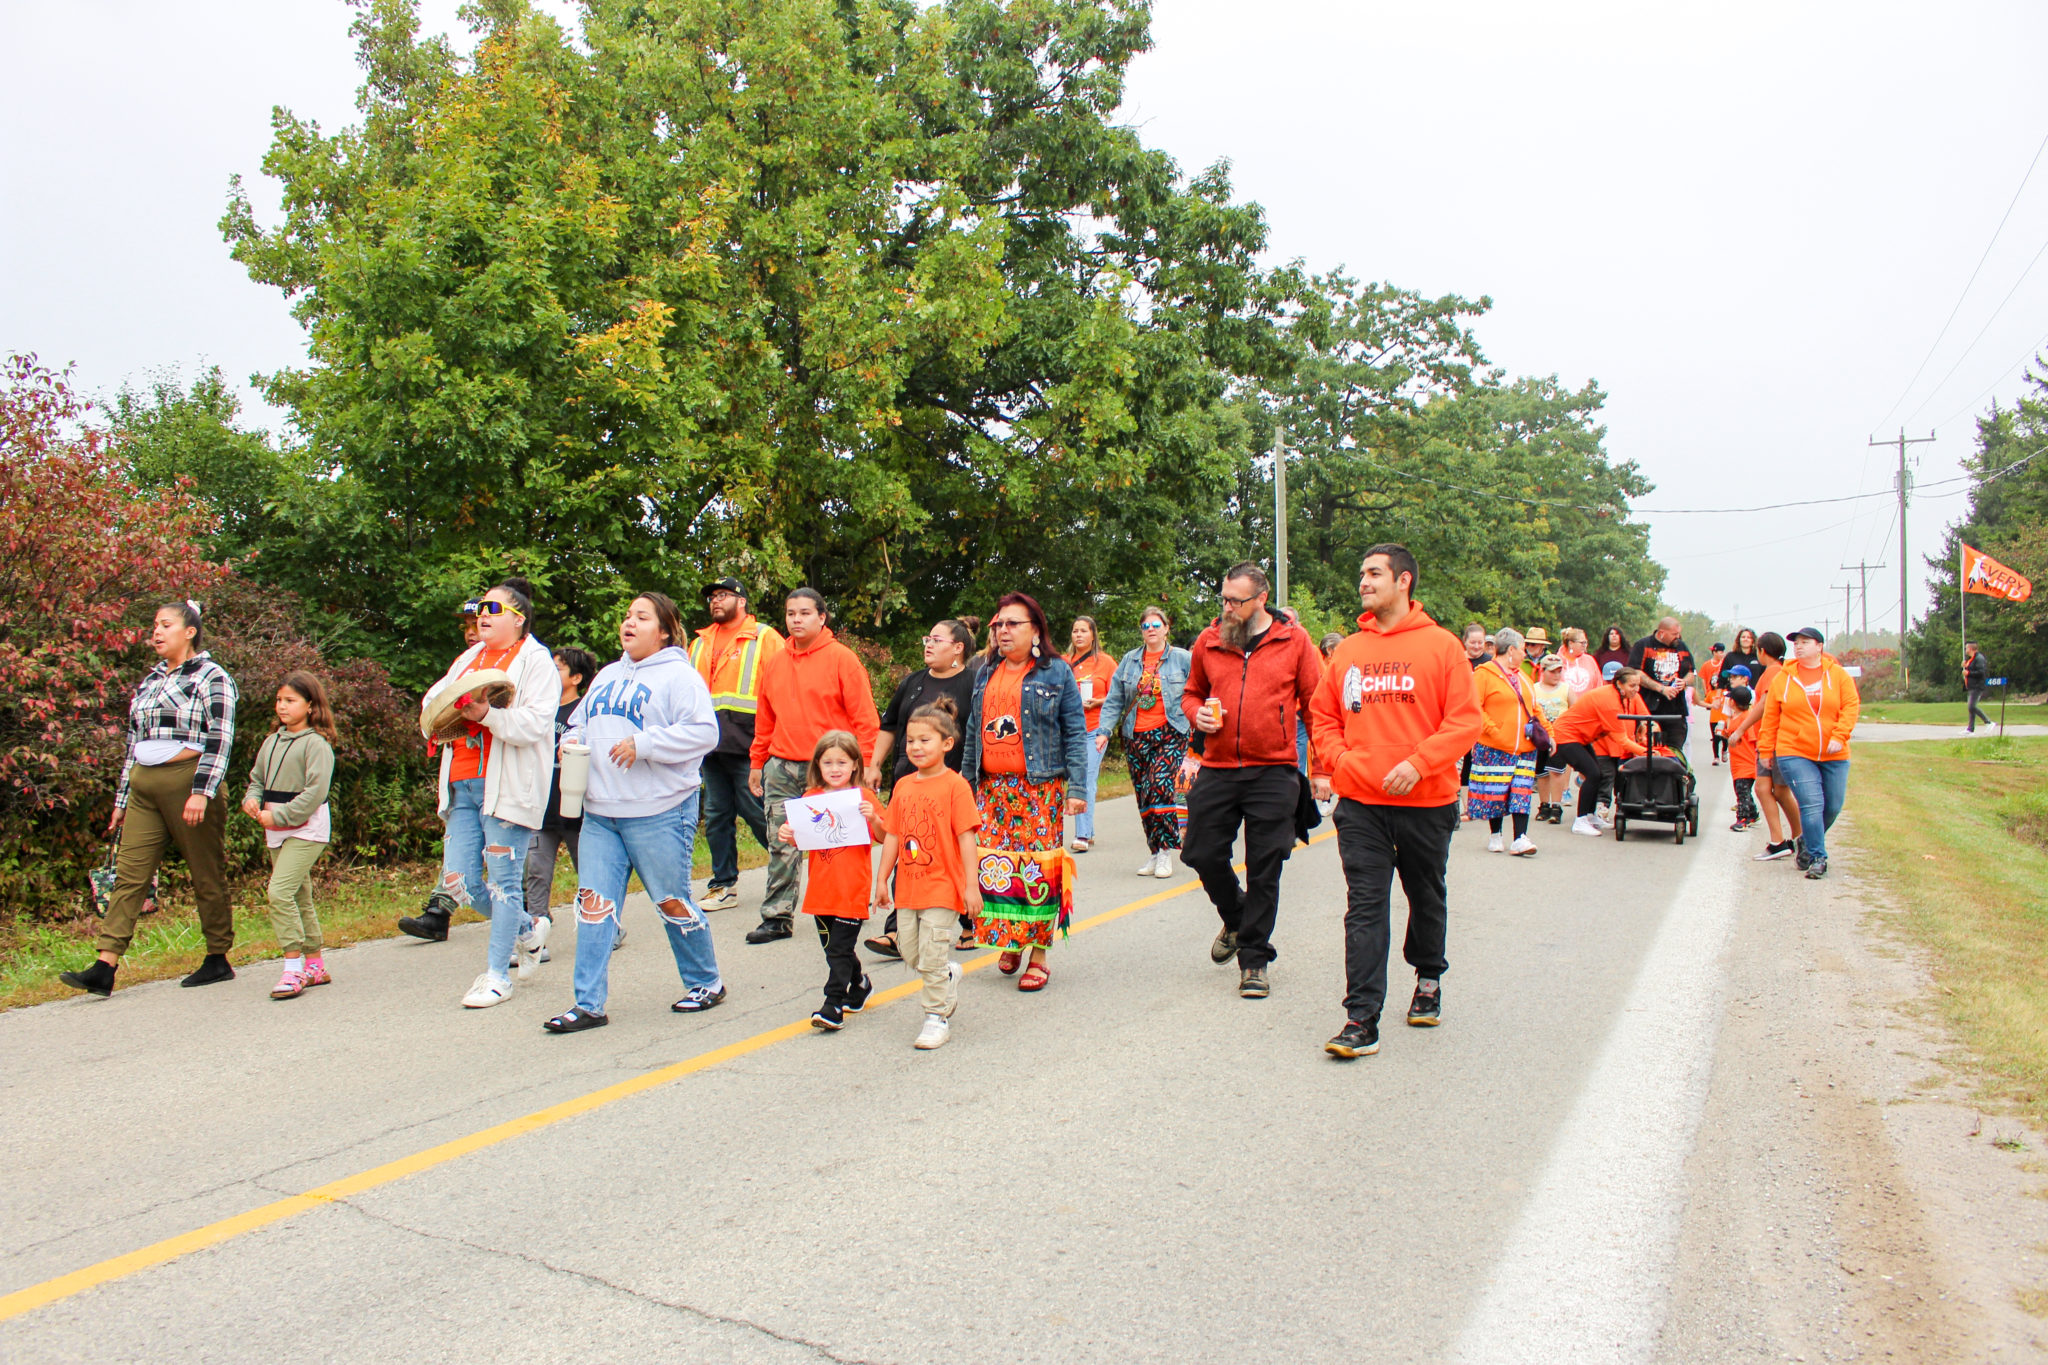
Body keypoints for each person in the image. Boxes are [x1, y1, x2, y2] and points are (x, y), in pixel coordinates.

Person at [1313, 544, 1484, 1059]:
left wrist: (1419, 763)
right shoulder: (1347, 651)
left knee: (1424, 894)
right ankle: (1360, 1019)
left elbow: (1465, 720)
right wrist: (1339, 761)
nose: (1363, 581)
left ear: (1403, 580)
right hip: (1361, 802)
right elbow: (1323, 716)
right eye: (1361, 573)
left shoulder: (1442, 646)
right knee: (1364, 906)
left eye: (1373, 573)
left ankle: (1428, 976)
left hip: (1426, 800)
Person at [543, 593, 724, 1032]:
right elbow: (580, 722)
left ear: (663, 630)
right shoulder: (606, 675)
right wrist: (571, 743)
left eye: (642, 617)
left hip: (659, 810)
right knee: (594, 906)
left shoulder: (680, 677)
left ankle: (706, 982)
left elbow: (704, 732)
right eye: (627, 616)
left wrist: (645, 744)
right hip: (601, 812)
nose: (630, 623)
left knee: (671, 901)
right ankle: (588, 1004)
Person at [63, 601, 240, 998]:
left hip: (187, 781)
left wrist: (202, 791)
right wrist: (122, 799)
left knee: (205, 871)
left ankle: (217, 957)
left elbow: (220, 737)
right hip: (144, 785)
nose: (156, 632)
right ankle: (105, 966)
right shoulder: (149, 681)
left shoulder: (213, 676)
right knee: (129, 875)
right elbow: (132, 744)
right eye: (154, 626)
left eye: (165, 625)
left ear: (190, 631)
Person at [400, 581, 560, 1009]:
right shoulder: (470, 658)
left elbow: (536, 724)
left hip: (506, 785)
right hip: (461, 783)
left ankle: (496, 977)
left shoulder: (535, 660)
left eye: (493, 608)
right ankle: (528, 931)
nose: (482, 615)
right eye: (479, 609)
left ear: (518, 618)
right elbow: (434, 704)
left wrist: (487, 714)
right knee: (461, 882)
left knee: (505, 882)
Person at [1179, 564, 1329, 999]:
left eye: (1235, 601)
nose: (1227, 607)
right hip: (1220, 766)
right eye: (1224, 599)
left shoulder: (1295, 641)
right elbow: (1191, 692)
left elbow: (1315, 707)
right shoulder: (1209, 641)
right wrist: (1196, 715)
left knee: (1266, 865)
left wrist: (1321, 770)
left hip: (1274, 769)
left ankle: (1254, 960)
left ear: (1262, 599)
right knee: (1200, 853)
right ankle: (1238, 915)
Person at [960, 591, 1088, 992]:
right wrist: (965, 786)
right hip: (992, 789)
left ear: (1035, 630)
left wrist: (1078, 786)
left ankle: (1038, 954)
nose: (1002, 631)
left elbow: (1075, 730)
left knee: (1036, 870)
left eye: (1012, 624)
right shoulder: (984, 671)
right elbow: (971, 734)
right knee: (997, 868)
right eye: (998, 624)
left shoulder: (1056, 672)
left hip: (1038, 789)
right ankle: (1011, 938)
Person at [746, 588, 881, 944]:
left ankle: (848, 906)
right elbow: (765, 718)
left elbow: (865, 719)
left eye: (805, 613)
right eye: (791, 613)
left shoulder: (842, 659)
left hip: (830, 768)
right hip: (782, 765)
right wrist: (757, 761)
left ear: (822, 617)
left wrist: (864, 768)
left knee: (840, 841)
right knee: (781, 840)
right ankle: (777, 916)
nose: (796, 619)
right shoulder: (774, 662)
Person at [863, 619, 981, 959]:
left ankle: (969, 918)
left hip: (953, 784)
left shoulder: (973, 683)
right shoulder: (913, 682)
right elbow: (889, 725)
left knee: (951, 851)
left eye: (937, 639)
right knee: (911, 849)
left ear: (958, 647)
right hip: (908, 782)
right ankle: (896, 929)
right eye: (927, 638)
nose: (928, 644)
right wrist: (874, 764)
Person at [872, 697, 982, 1050]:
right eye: (911, 740)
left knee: (931, 954)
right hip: (908, 887)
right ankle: (947, 974)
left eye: (925, 740)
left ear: (947, 744)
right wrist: (881, 878)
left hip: (943, 886)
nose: (916, 747)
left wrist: (970, 886)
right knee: (911, 952)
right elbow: (893, 835)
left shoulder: (955, 786)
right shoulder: (904, 785)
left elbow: (967, 838)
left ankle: (936, 1016)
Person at [689, 578, 785, 913]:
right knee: (716, 815)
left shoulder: (764, 636)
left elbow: (783, 685)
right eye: (712, 596)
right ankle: (722, 885)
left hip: (749, 742)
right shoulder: (699, 642)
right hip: (708, 744)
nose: (715, 601)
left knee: (756, 811)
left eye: (723, 595)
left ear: (741, 601)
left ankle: (788, 870)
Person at [778, 731, 883, 1032]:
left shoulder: (863, 798)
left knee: (838, 949)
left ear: (854, 765)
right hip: (822, 891)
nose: (835, 768)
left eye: (842, 762)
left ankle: (832, 1004)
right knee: (834, 948)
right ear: (818, 765)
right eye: (828, 762)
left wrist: (874, 818)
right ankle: (859, 984)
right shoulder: (810, 799)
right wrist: (788, 833)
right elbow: (801, 838)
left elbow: (887, 836)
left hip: (852, 889)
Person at [241, 672, 338, 1000]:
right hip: (276, 830)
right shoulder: (272, 742)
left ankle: (292, 968)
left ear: (310, 706)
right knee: (298, 895)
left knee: (279, 893)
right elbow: (257, 779)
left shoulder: (317, 745)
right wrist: (251, 799)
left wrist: (278, 815)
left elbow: (314, 793)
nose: (282, 706)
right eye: (279, 700)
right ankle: (315, 964)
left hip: (307, 830)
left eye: (290, 700)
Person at [1095, 606, 1194, 879]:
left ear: (1166, 628)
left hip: (1171, 732)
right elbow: (1115, 698)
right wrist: (1104, 731)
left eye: (1155, 624)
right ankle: (1154, 850)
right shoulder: (1130, 661)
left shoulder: (1184, 659)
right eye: (1145, 625)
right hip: (1135, 736)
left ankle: (1165, 852)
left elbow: (1200, 689)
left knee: (1158, 785)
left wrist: (1201, 719)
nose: (1150, 629)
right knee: (1143, 794)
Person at [1759, 627, 1860, 880]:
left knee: (1833, 805)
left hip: (1834, 752)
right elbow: (1771, 717)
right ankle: (1818, 857)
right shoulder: (1783, 678)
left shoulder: (1837, 675)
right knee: (1811, 803)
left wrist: (1839, 735)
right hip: (1794, 751)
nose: (1799, 646)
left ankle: (1805, 839)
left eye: (1805, 642)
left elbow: (1850, 706)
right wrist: (1765, 749)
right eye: (1796, 643)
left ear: (1819, 646)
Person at [527, 645, 599, 950]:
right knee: (535, 873)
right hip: (540, 810)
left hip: (575, 811)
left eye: (558, 669)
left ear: (576, 677)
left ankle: (604, 926)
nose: (550, 673)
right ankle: (534, 937)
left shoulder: (584, 713)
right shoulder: (537, 710)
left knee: (590, 874)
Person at [1468, 628, 1547, 855]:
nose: (1525, 654)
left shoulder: (1523, 677)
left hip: (1525, 747)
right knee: (1496, 790)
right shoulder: (1483, 674)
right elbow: (1475, 708)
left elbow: (1535, 708)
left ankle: (1520, 838)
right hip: (1494, 746)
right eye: (1522, 649)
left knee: (1521, 791)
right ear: (1511, 650)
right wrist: (1495, 731)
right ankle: (1496, 834)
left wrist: (1548, 732)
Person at [1725, 632, 1803, 861]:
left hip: (1774, 739)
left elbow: (1764, 704)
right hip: (1771, 738)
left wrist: (1740, 729)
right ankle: (1792, 838)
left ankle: (1788, 839)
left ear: (1762, 651)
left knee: (1767, 789)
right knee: (1775, 790)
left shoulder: (1773, 672)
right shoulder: (1778, 671)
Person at [1553, 666, 1649, 836]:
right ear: (1619, 684)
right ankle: (1580, 820)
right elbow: (1621, 739)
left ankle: (1590, 816)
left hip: (1581, 737)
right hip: (1566, 736)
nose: (1636, 689)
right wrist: (1647, 752)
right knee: (1593, 774)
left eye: (1638, 685)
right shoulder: (1610, 702)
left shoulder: (1617, 696)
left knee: (1598, 774)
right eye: (1632, 685)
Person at [1064, 616, 1118, 853]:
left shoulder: (1106, 663)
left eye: (1083, 631)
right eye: (1075, 631)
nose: (1078, 635)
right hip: (1069, 730)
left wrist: (1098, 701)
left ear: (1093, 635)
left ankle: (1082, 834)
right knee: (1071, 777)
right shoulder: (1064, 663)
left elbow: (1118, 695)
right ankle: (1089, 829)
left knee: (1085, 777)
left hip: (1094, 729)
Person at [1627, 617, 1698, 754]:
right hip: (1650, 709)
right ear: (1661, 633)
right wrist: (1661, 688)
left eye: (1679, 633)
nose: (1678, 637)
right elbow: (1635, 672)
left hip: (1676, 710)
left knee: (1674, 751)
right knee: (1649, 749)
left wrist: (1684, 682)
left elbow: (1691, 673)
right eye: (1674, 634)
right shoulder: (1643, 645)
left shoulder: (1681, 646)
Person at [1529, 653, 1573, 824]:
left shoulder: (1566, 689)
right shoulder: (1534, 689)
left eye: (1559, 672)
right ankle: (1544, 804)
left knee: (1557, 771)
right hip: (1540, 736)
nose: (1556, 675)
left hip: (1559, 734)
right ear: (1543, 671)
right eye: (1552, 672)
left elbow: (1575, 710)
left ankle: (1556, 805)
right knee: (1541, 772)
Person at [1725, 684, 1760, 830]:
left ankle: (1743, 818)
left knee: (1742, 792)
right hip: (1737, 763)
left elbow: (1752, 739)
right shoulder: (1735, 717)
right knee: (1742, 790)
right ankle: (1753, 813)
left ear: (1733, 702)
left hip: (1746, 762)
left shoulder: (1747, 719)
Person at [1701, 643, 1727, 765]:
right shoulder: (1707, 665)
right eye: (1719, 651)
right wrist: (1707, 694)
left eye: (1723, 652)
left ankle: (1724, 750)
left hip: (1723, 701)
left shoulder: (1725, 664)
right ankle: (1715, 756)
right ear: (1714, 652)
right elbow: (1703, 678)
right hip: (1711, 695)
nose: (1721, 654)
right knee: (1716, 736)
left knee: (1724, 735)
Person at [1559, 627, 1601, 699]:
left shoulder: (1590, 660)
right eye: (1582, 643)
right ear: (1571, 644)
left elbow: (1598, 685)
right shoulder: (1557, 661)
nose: (1585, 645)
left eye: (1586, 642)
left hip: (1588, 706)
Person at [1964, 642, 1992, 732]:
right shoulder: (1972, 659)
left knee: (1972, 706)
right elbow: (1972, 669)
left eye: (1966, 648)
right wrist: (1965, 667)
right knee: (1971, 708)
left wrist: (1968, 673)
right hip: (1972, 686)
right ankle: (1970, 729)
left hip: (1977, 686)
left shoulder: (1979, 658)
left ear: (1971, 649)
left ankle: (1988, 722)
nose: (1965, 650)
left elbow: (1981, 672)